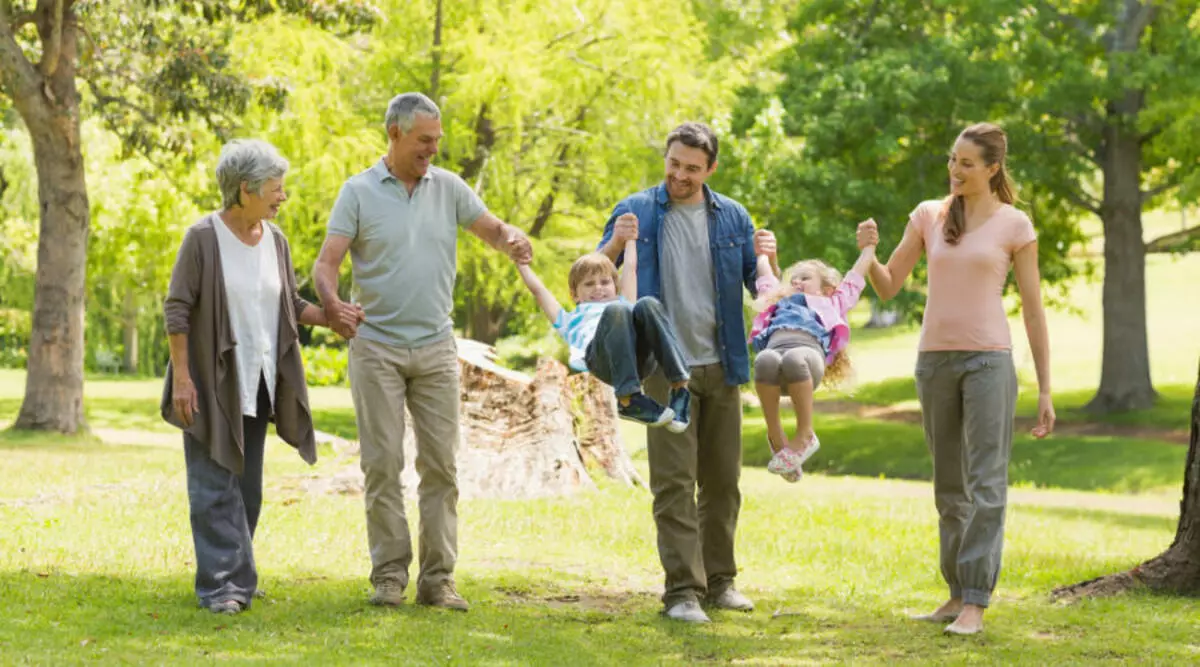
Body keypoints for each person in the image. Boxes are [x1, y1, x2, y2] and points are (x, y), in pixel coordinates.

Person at [312, 92, 532, 612]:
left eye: (437, 140)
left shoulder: (449, 188)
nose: (432, 150)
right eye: (423, 140)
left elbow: (491, 230)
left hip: (435, 347)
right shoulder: (358, 192)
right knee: (382, 464)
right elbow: (327, 265)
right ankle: (389, 576)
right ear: (394, 133)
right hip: (377, 347)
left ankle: (438, 580)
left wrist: (512, 239)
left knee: (441, 467)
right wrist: (334, 305)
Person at [856, 122, 1056, 635]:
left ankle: (975, 601)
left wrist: (1046, 389)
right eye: (952, 160)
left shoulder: (1015, 224)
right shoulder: (928, 214)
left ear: (992, 169)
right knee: (949, 486)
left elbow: (1034, 309)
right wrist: (868, 253)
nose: (955, 170)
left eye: (967, 163)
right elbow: (888, 286)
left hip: (989, 361)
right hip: (935, 362)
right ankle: (953, 594)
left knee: (986, 482)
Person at [162, 139, 361, 615]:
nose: (283, 196)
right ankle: (222, 587)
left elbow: (289, 305)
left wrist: (331, 317)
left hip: (259, 378)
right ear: (246, 188)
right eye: (276, 188)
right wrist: (183, 379)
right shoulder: (203, 238)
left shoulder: (275, 240)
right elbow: (177, 309)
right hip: (211, 382)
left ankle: (234, 575)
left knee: (247, 489)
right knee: (213, 487)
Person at [597, 121, 778, 623]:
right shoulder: (635, 210)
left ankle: (721, 583)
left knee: (722, 481)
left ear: (711, 169)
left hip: (721, 364)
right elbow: (593, 280)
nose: (680, 175)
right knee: (674, 483)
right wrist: (615, 244)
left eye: (692, 169)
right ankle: (681, 591)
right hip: (662, 367)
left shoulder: (733, 218)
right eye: (673, 164)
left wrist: (770, 260)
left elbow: (763, 292)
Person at [517, 221, 691, 430]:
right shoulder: (570, 320)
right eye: (589, 284)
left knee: (647, 304)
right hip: (603, 362)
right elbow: (538, 291)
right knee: (617, 311)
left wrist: (630, 240)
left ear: (614, 286)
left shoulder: (623, 301)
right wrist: (521, 263)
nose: (598, 288)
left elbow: (630, 268)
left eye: (605, 282)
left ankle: (680, 389)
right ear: (575, 294)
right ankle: (629, 400)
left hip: (639, 360)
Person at [748, 240, 876, 482]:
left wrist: (868, 248)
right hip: (775, 362)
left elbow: (856, 276)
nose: (797, 282)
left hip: (807, 360)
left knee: (795, 358)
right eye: (794, 279)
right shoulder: (776, 300)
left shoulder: (833, 301)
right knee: (764, 359)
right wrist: (763, 255)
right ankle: (776, 437)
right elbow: (764, 276)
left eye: (805, 278)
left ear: (825, 289)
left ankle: (805, 434)